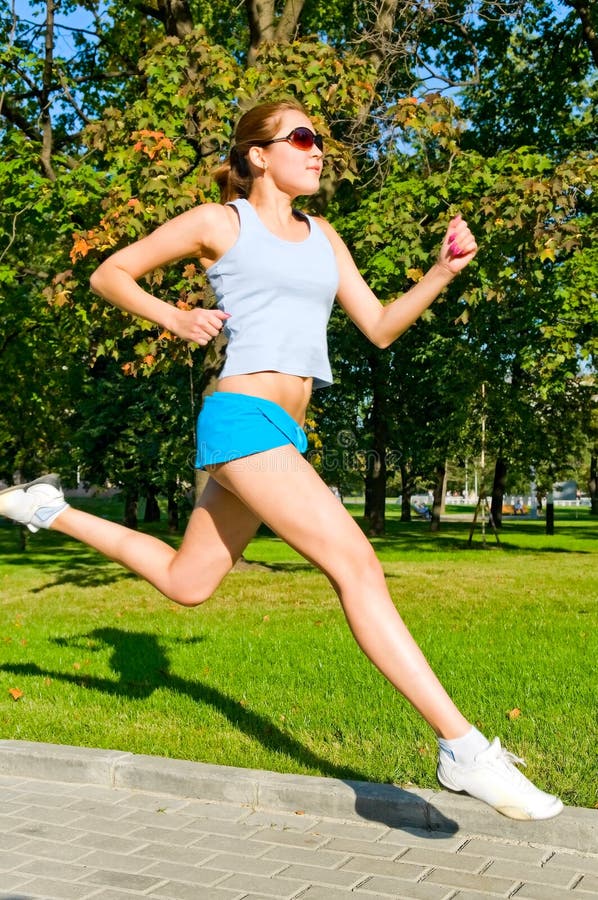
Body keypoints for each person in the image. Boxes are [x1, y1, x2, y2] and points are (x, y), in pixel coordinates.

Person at [0, 99, 562, 821]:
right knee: (356, 565)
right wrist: (174, 317)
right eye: (301, 137)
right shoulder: (218, 222)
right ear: (259, 153)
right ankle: (463, 748)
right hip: (241, 420)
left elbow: (381, 327)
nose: (317, 149)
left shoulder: (324, 237)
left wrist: (441, 273)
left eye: (319, 139)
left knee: (187, 581)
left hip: (284, 432)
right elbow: (111, 273)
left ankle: (49, 508)